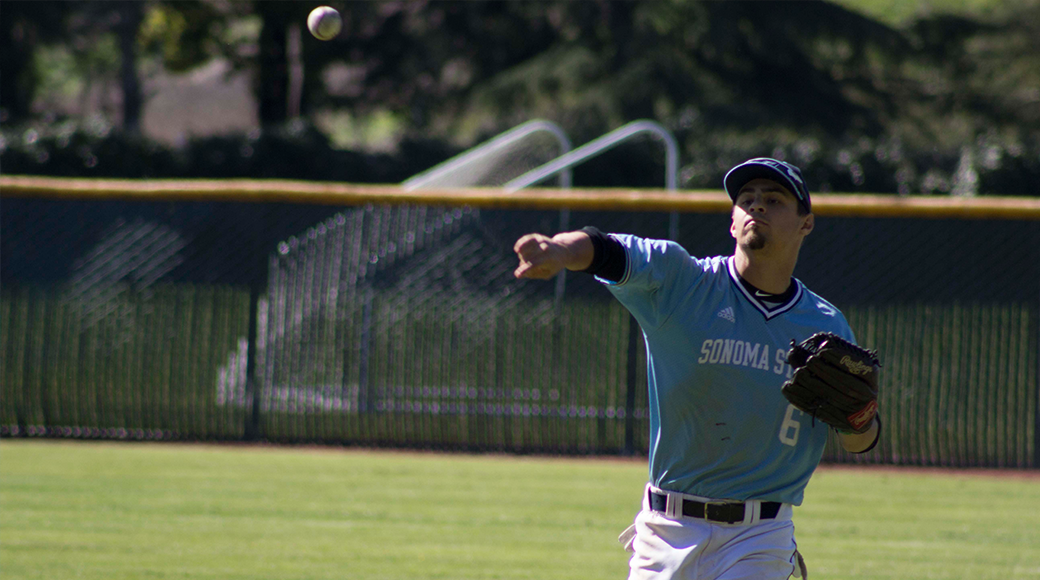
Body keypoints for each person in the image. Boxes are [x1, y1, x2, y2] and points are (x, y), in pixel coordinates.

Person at [512, 158, 881, 580]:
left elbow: (859, 441)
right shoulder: (682, 282)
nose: (756, 207)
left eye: (774, 200)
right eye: (746, 200)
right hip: (667, 529)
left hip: (759, 537)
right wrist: (560, 250)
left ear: (806, 224)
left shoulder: (825, 325)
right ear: (731, 221)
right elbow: (605, 249)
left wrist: (861, 418)